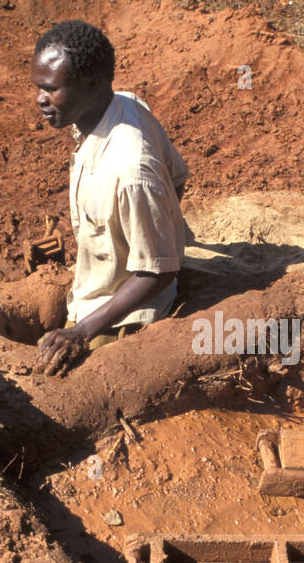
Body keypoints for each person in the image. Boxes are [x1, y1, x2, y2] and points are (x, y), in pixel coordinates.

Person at [29, 20, 188, 376]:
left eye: (51, 89)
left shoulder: (130, 170)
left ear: (92, 84)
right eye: (38, 87)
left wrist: (81, 331)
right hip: (93, 290)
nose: (40, 99)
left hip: (122, 318)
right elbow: (176, 177)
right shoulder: (120, 106)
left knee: (52, 390)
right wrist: (157, 223)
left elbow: (158, 271)